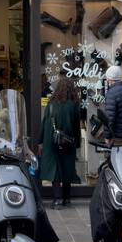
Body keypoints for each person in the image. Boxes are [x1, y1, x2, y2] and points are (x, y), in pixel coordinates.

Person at [40, 77, 81, 207]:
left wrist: (40, 140)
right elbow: (76, 126)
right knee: (67, 167)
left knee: (55, 169)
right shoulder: (73, 104)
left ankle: (57, 198)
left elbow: (44, 122)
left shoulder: (51, 103)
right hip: (68, 140)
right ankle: (67, 197)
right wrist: (77, 142)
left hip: (51, 140)